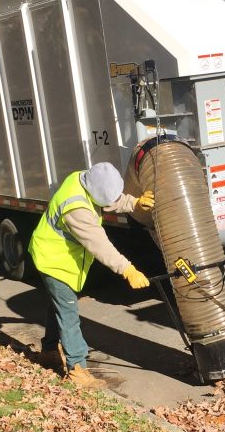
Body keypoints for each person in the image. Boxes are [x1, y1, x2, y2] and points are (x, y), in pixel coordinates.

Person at [28, 162, 155, 388]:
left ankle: (48, 351)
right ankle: (77, 369)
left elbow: (109, 199)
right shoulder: (76, 207)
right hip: (53, 259)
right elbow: (99, 244)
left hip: (56, 255)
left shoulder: (84, 178)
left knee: (57, 306)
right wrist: (127, 269)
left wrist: (134, 202)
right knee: (68, 313)